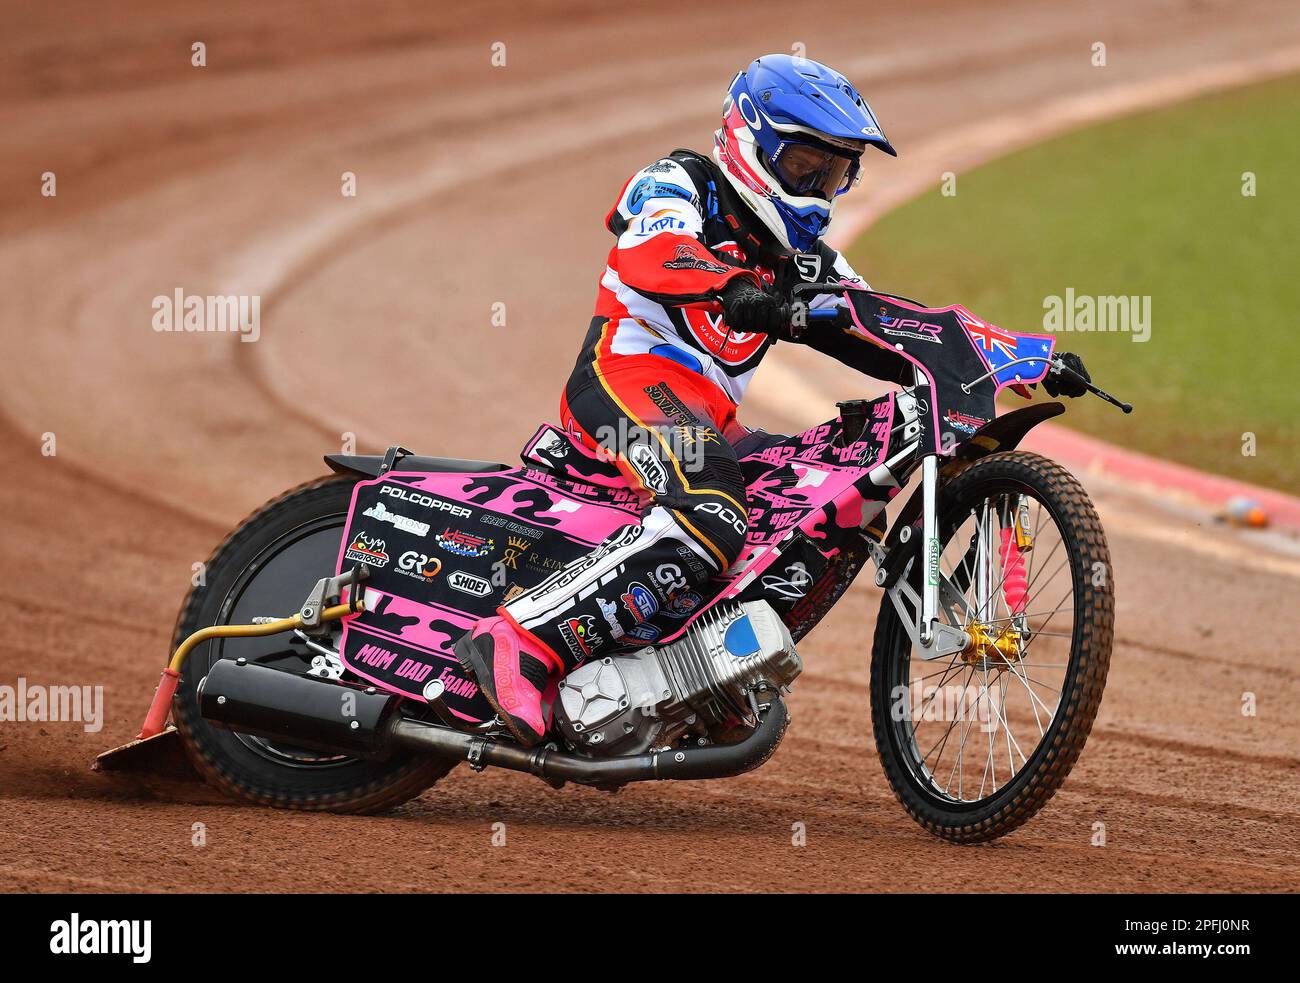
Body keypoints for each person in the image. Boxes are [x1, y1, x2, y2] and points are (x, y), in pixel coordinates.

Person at [454, 54, 1089, 747]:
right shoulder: (679, 181)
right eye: (804, 166)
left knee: (814, 504)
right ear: (747, 138)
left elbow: (888, 321)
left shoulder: (805, 254)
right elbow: (655, 253)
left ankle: (689, 666)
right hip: (624, 384)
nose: (818, 188)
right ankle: (518, 640)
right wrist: (740, 291)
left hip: (710, 418)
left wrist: (1020, 351)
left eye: (836, 172)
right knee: (712, 512)